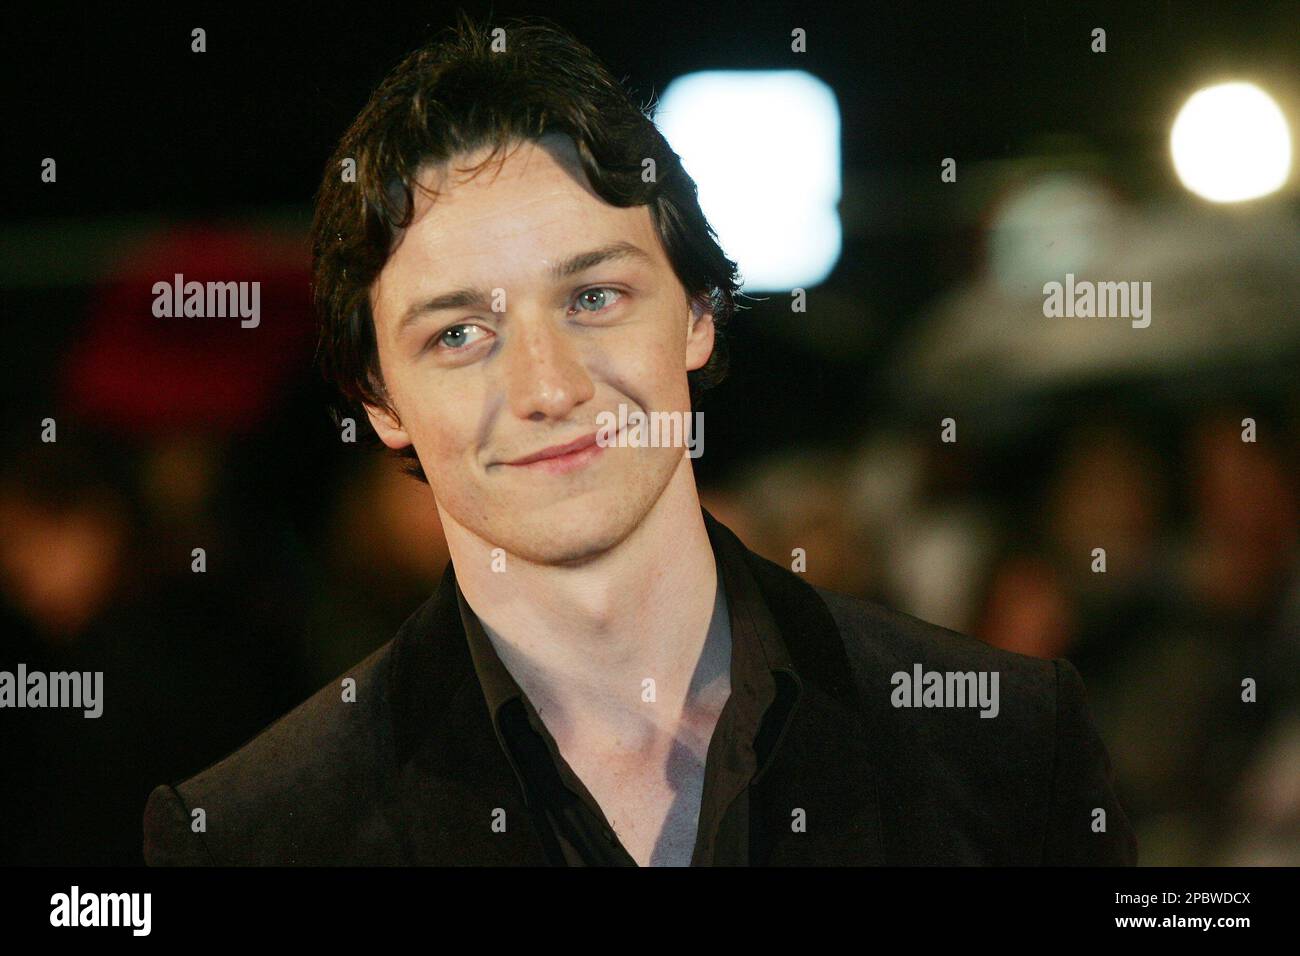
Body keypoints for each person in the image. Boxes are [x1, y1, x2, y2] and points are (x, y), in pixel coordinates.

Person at [143, 14, 1136, 866]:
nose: (547, 385)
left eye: (594, 296)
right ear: (380, 399)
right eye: (458, 333)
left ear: (699, 311)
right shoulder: (250, 837)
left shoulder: (1003, 741)